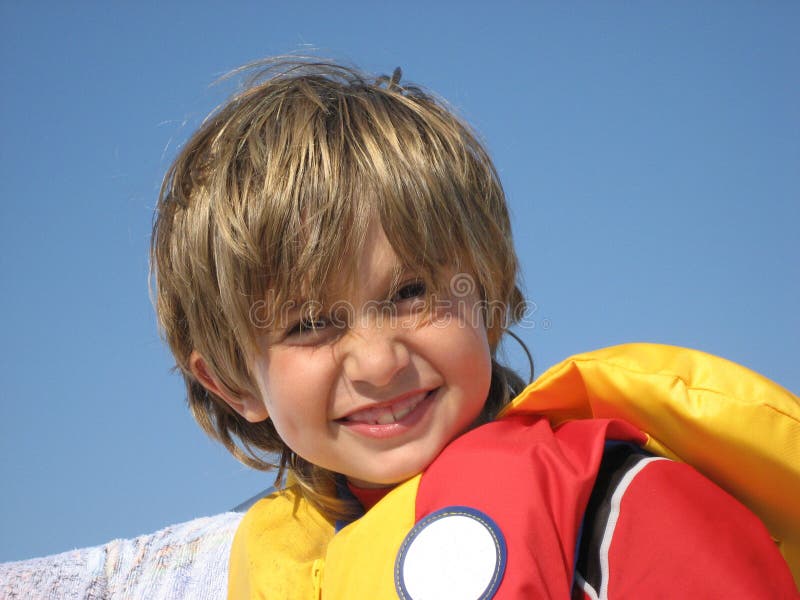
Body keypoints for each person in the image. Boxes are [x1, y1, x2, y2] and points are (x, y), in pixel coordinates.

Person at [150, 58, 798, 598]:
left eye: (409, 293)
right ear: (233, 381)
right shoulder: (243, 572)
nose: (379, 363)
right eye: (312, 323)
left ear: (486, 293)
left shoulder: (614, 510)